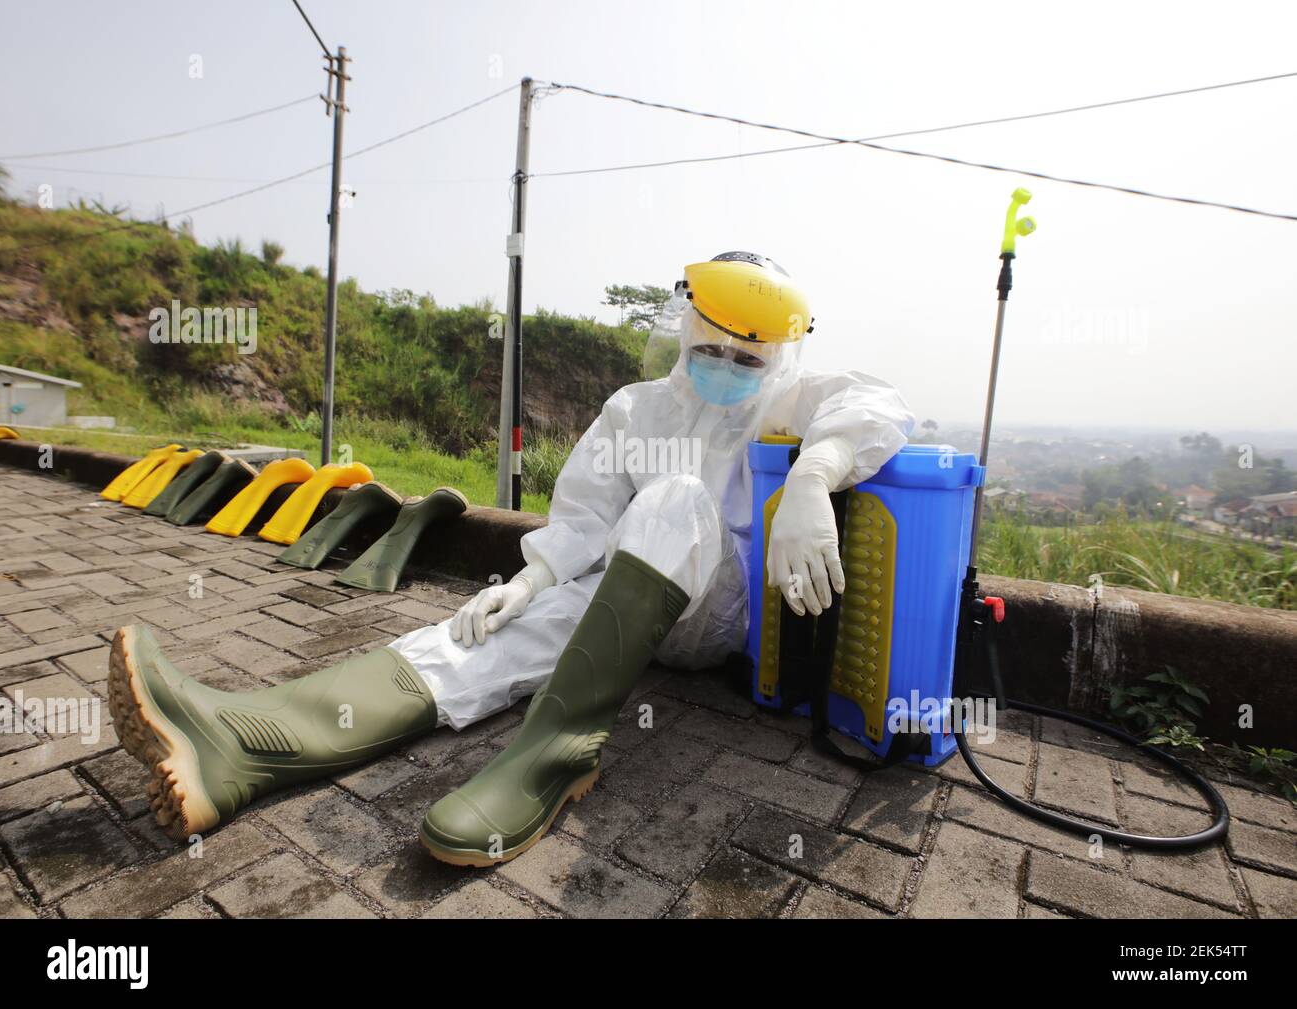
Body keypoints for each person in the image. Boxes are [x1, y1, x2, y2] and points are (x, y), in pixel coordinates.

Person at [108, 251, 914, 867]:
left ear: (777, 360)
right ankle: (249, 744)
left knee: (674, 501)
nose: (732, 369)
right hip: (634, 603)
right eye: (717, 348)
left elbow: (881, 404)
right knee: (503, 626)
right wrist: (527, 579)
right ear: (687, 332)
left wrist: (815, 472)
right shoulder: (636, 409)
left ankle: (553, 756)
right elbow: (586, 521)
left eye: (751, 359)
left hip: (725, 617)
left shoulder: (786, 402)